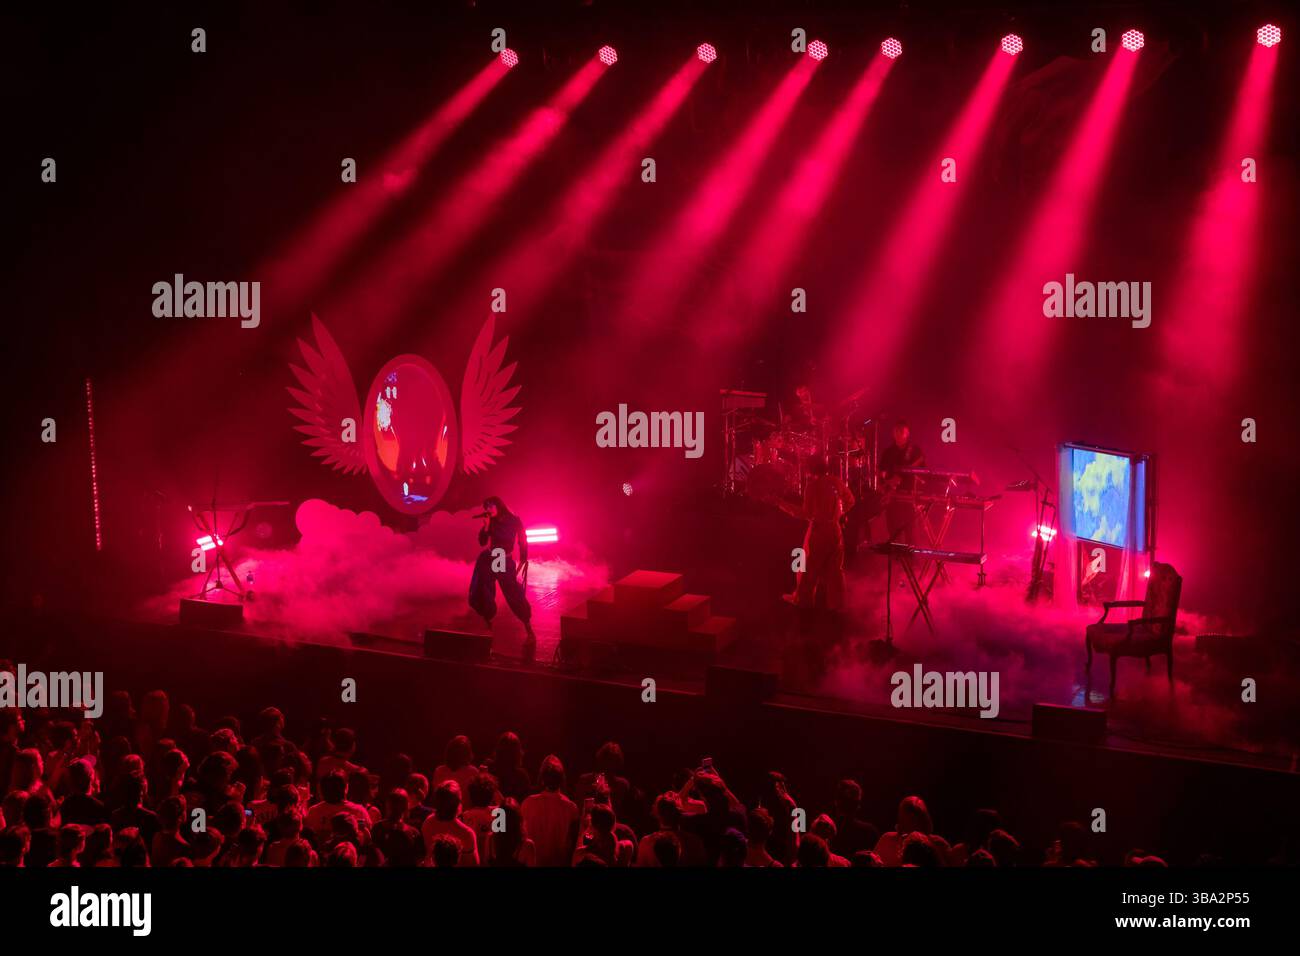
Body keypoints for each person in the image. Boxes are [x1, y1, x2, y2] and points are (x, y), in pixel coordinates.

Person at [783, 457, 855, 611]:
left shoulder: (812, 486)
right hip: (835, 530)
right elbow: (851, 501)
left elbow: (805, 513)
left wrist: (781, 504)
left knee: (808, 571)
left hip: (819, 531)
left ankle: (804, 607)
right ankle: (838, 610)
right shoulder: (836, 481)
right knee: (836, 572)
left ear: (810, 470)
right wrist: (839, 515)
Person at [468, 496, 536, 642]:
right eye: (486, 507)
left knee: (512, 591)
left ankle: (527, 623)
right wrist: (485, 527)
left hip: (502, 558)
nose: (488, 510)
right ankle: (488, 621)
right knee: (482, 588)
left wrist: (523, 559)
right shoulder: (490, 521)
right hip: (489, 558)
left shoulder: (513, 520)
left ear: (499, 506)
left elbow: (522, 540)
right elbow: (482, 542)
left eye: (490, 506)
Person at [520, 756, 578, 867]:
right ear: (562, 779)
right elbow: (572, 844)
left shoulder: (527, 803)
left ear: (542, 779)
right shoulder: (571, 808)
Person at [878, 420, 926, 542]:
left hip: (909, 495)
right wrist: (885, 484)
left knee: (910, 527)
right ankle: (895, 551)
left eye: (901, 431)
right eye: (896, 431)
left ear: (907, 433)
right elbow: (881, 472)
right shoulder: (888, 452)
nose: (898, 433)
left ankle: (910, 554)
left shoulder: (915, 451)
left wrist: (906, 477)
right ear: (892, 433)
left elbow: (923, 472)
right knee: (893, 526)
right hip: (892, 495)